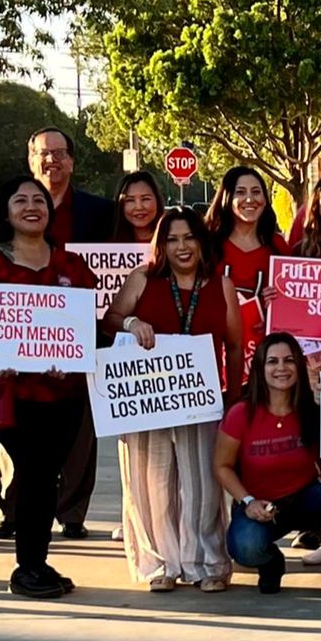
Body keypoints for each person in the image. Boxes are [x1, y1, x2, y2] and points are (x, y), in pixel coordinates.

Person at [0, 176, 100, 599]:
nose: (32, 206)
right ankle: (27, 568)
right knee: (36, 472)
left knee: (47, 476)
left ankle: (37, 560)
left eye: (39, 200)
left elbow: (86, 328)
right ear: (5, 211)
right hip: (10, 397)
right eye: (20, 200)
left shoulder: (72, 266)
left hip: (65, 393)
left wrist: (69, 356)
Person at [104, 209, 242, 591]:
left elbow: (234, 346)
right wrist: (131, 323)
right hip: (147, 400)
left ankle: (206, 563)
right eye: (172, 239)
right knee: (150, 485)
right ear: (160, 245)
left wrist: (233, 400)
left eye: (189, 237)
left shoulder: (221, 285)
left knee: (203, 487)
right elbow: (110, 319)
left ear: (202, 242)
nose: (182, 247)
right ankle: (158, 565)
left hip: (203, 400)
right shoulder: (142, 279)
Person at [215, 333, 321, 595]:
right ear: (260, 368)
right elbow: (222, 466)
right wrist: (248, 501)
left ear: (298, 365)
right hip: (260, 504)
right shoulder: (241, 413)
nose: (281, 368)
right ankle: (271, 563)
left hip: (305, 498)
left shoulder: (311, 407)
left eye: (289, 360)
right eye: (272, 361)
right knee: (245, 548)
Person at [205, 165, 286, 390]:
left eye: (256, 192)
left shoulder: (278, 246)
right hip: (214, 353)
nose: (250, 199)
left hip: (264, 357)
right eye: (240, 192)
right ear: (227, 198)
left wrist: (274, 311)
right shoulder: (208, 244)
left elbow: (291, 301)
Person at [29, 127, 112, 246]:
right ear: (31, 162)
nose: (51, 159)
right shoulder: (8, 212)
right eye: (43, 153)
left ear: (71, 162)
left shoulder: (104, 212)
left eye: (59, 153)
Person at [108, 171, 164, 245]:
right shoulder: (107, 243)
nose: (139, 207)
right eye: (130, 200)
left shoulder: (171, 238)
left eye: (145, 199)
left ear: (157, 200)